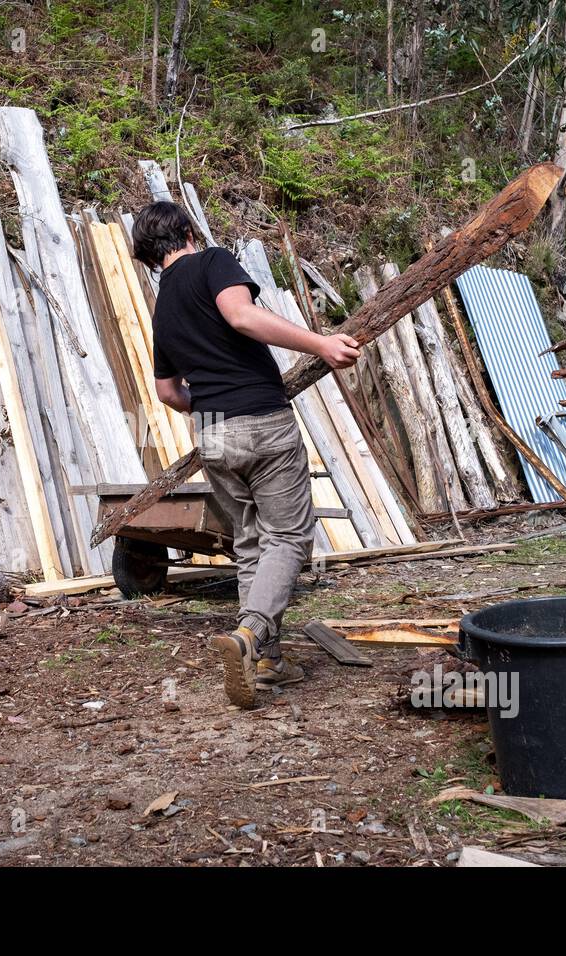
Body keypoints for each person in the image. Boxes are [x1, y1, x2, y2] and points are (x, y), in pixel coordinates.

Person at [132, 201, 360, 709]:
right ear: (188, 232)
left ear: (147, 256)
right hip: (261, 420)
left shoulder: (163, 308)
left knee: (252, 544)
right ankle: (250, 633)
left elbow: (168, 392)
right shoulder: (212, 262)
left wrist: (212, 406)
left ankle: (267, 663)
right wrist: (321, 344)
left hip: (213, 433)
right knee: (289, 538)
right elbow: (240, 315)